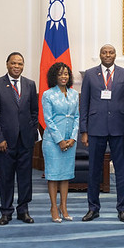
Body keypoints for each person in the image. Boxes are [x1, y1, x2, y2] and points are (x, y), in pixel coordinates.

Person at [79, 44, 124, 222]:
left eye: (111, 52)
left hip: (119, 128)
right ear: (100, 55)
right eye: (104, 52)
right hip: (96, 128)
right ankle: (93, 208)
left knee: (121, 170)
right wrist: (84, 130)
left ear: (115, 55)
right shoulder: (89, 74)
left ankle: (122, 209)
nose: (108, 55)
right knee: (94, 170)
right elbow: (84, 103)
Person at [0, 52, 39, 225]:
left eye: (20, 63)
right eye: (13, 63)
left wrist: (32, 133)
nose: (16, 66)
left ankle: (23, 210)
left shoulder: (30, 84)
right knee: (6, 177)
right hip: (5, 141)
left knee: (25, 178)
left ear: (23, 66)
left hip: (26, 140)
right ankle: (6, 211)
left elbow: (34, 112)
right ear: (7, 64)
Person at [42, 62, 79, 223]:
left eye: (66, 74)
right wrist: (60, 140)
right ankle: (53, 207)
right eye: (60, 74)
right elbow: (48, 120)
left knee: (65, 175)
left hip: (70, 141)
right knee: (53, 175)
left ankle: (63, 206)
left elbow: (77, 116)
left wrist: (73, 138)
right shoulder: (48, 94)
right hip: (53, 141)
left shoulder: (74, 94)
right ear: (54, 76)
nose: (64, 76)